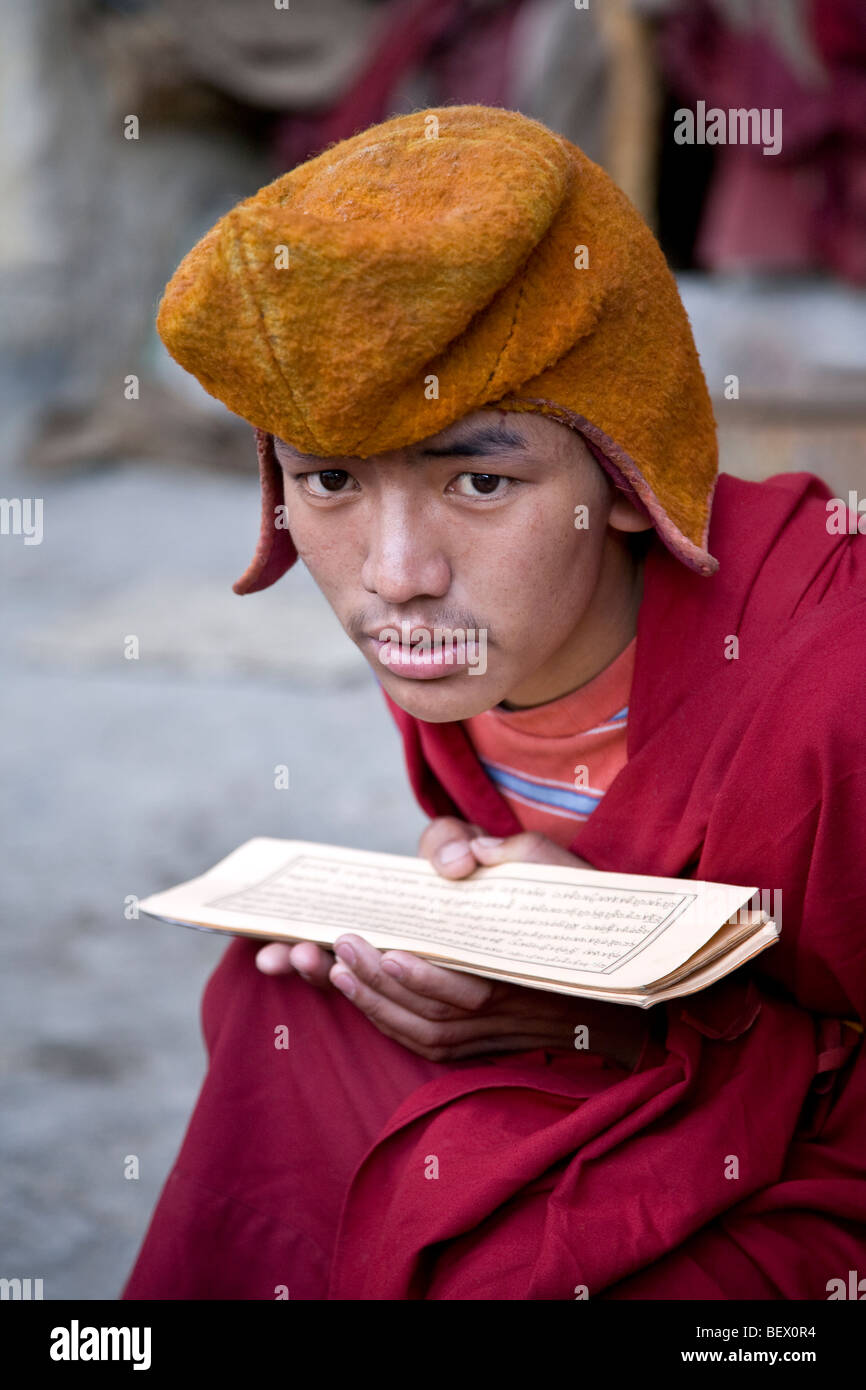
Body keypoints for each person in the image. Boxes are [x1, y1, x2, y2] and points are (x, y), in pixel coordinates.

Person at [122, 105, 866, 1300]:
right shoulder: (471, 638)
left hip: (822, 1165)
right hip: (653, 1076)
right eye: (327, 480)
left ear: (631, 471)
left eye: (479, 477)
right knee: (291, 1011)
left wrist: (647, 1006)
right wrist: (543, 974)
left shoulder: (836, 692)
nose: (394, 572)